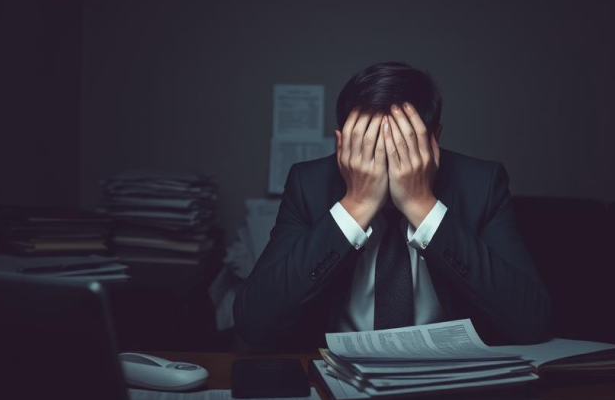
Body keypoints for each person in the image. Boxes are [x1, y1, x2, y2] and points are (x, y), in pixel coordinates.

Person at [233, 62, 551, 350]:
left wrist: (422, 204)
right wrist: (356, 204)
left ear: (434, 139)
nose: (385, 159)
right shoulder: (310, 185)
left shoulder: (481, 185)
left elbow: (531, 321)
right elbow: (254, 323)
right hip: (338, 375)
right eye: (368, 145)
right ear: (342, 144)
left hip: (449, 375)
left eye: (403, 144)